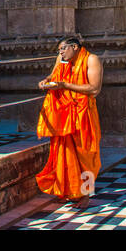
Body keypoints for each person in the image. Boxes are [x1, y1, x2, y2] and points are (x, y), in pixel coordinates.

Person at [36, 34, 103, 209]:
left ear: (74, 47)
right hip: (64, 115)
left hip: (84, 114)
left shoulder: (91, 60)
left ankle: (86, 195)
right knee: (64, 154)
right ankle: (70, 192)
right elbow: (53, 76)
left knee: (86, 155)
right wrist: (46, 81)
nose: (61, 53)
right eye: (59, 51)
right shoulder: (63, 59)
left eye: (63, 49)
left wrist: (65, 85)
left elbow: (94, 88)